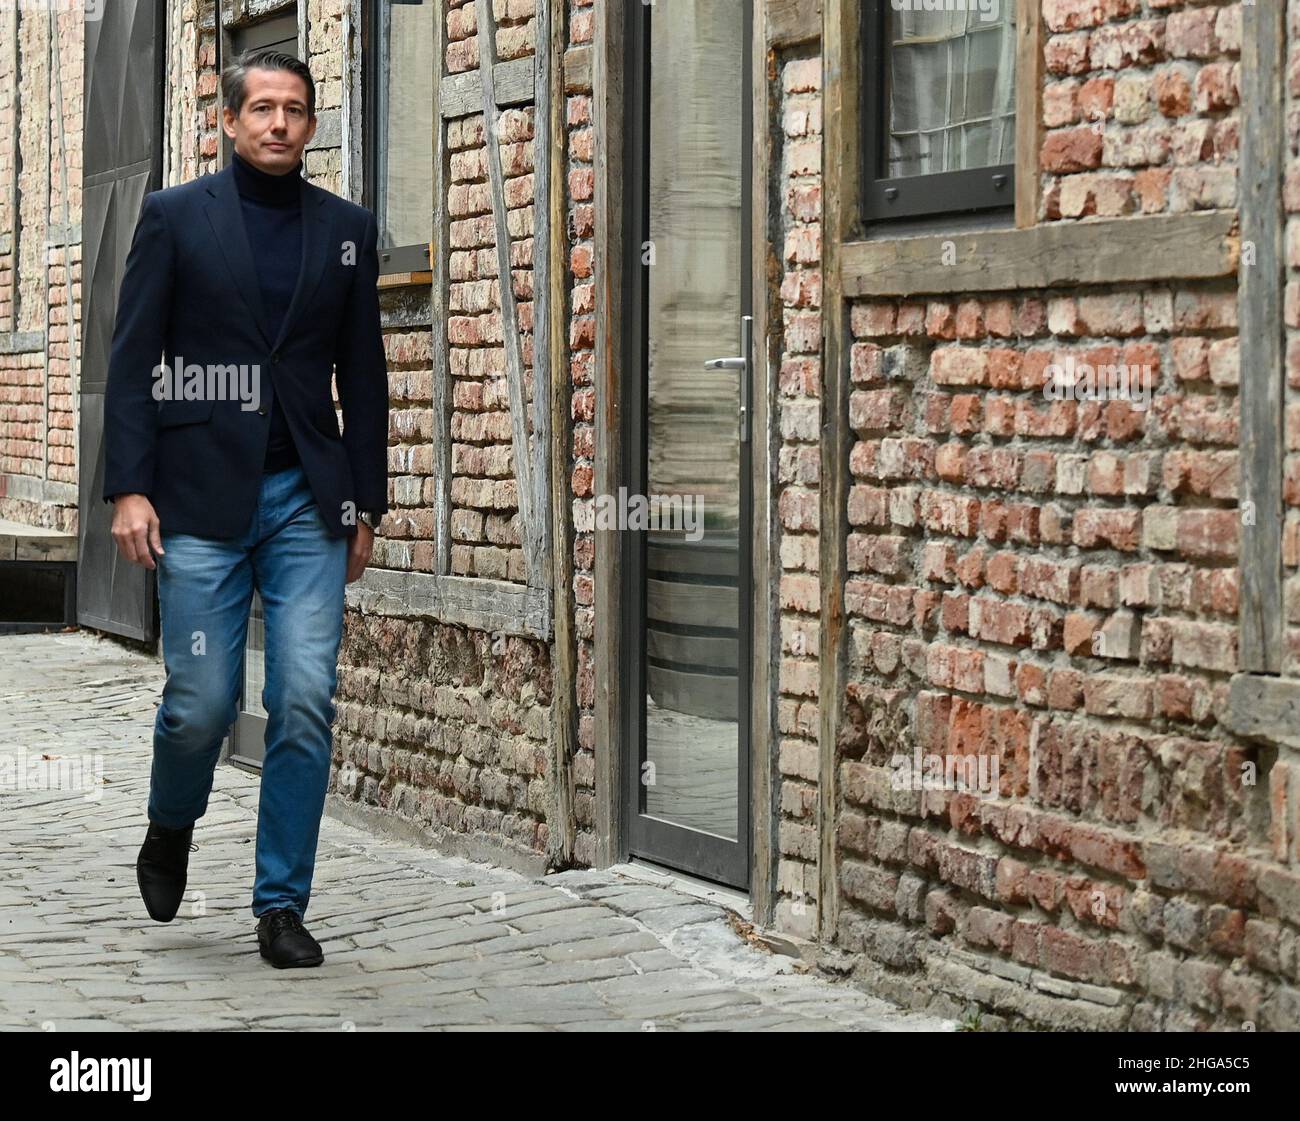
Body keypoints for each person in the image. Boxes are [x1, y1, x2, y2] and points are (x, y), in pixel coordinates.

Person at [101, 47, 390, 968]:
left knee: (303, 698)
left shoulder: (344, 229)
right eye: (260, 108)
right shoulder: (175, 219)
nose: (277, 123)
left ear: (311, 125)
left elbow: (366, 376)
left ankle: (280, 904)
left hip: (308, 498)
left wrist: (366, 502)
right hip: (196, 500)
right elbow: (132, 360)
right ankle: (170, 819)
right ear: (228, 121)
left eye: (294, 110)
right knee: (203, 698)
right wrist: (130, 486)